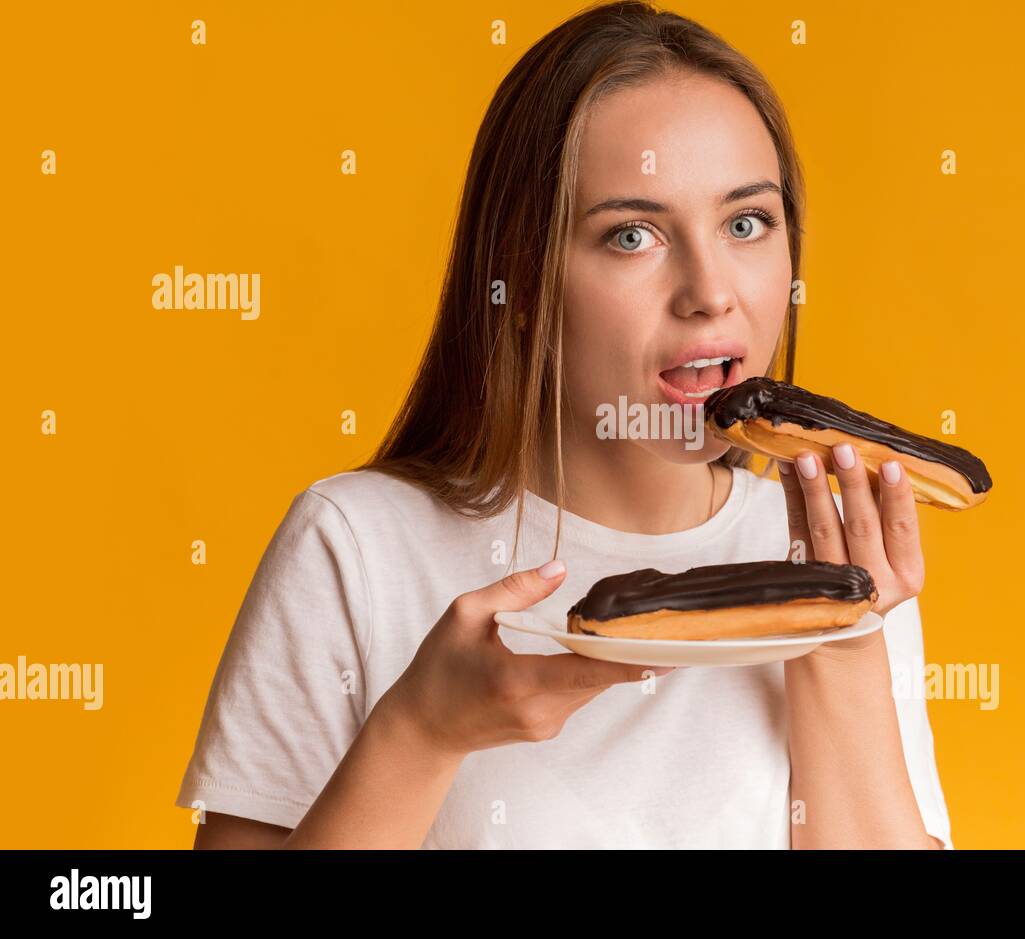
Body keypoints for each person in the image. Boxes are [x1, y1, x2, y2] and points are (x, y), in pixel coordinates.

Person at [175, 0, 952, 849]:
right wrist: (421, 731)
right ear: (518, 278)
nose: (711, 291)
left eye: (745, 222)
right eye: (632, 235)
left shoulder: (838, 555)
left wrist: (842, 640)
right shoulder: (357, 548)